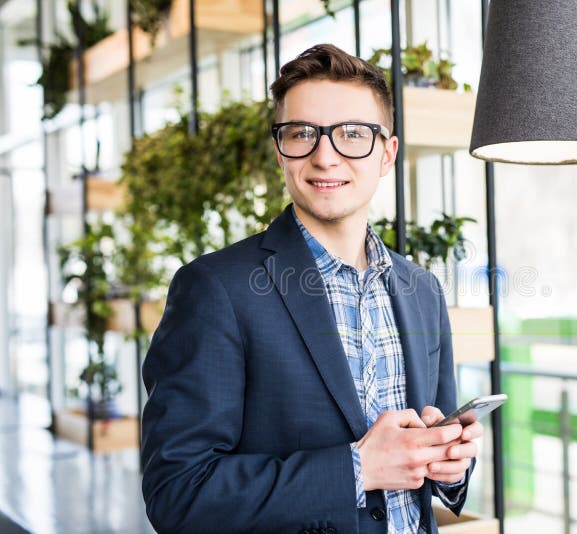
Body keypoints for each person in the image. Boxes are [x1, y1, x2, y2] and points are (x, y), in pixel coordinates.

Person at [141, 43, 482, 534]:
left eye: (352, 134)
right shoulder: (216, 288)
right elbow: (178, 493)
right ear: (280, 150)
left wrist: (449, 464)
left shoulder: (421, 288)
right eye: (302, 133)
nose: (325, 157)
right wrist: (360, 468)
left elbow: (430, 457)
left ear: (387, 154)